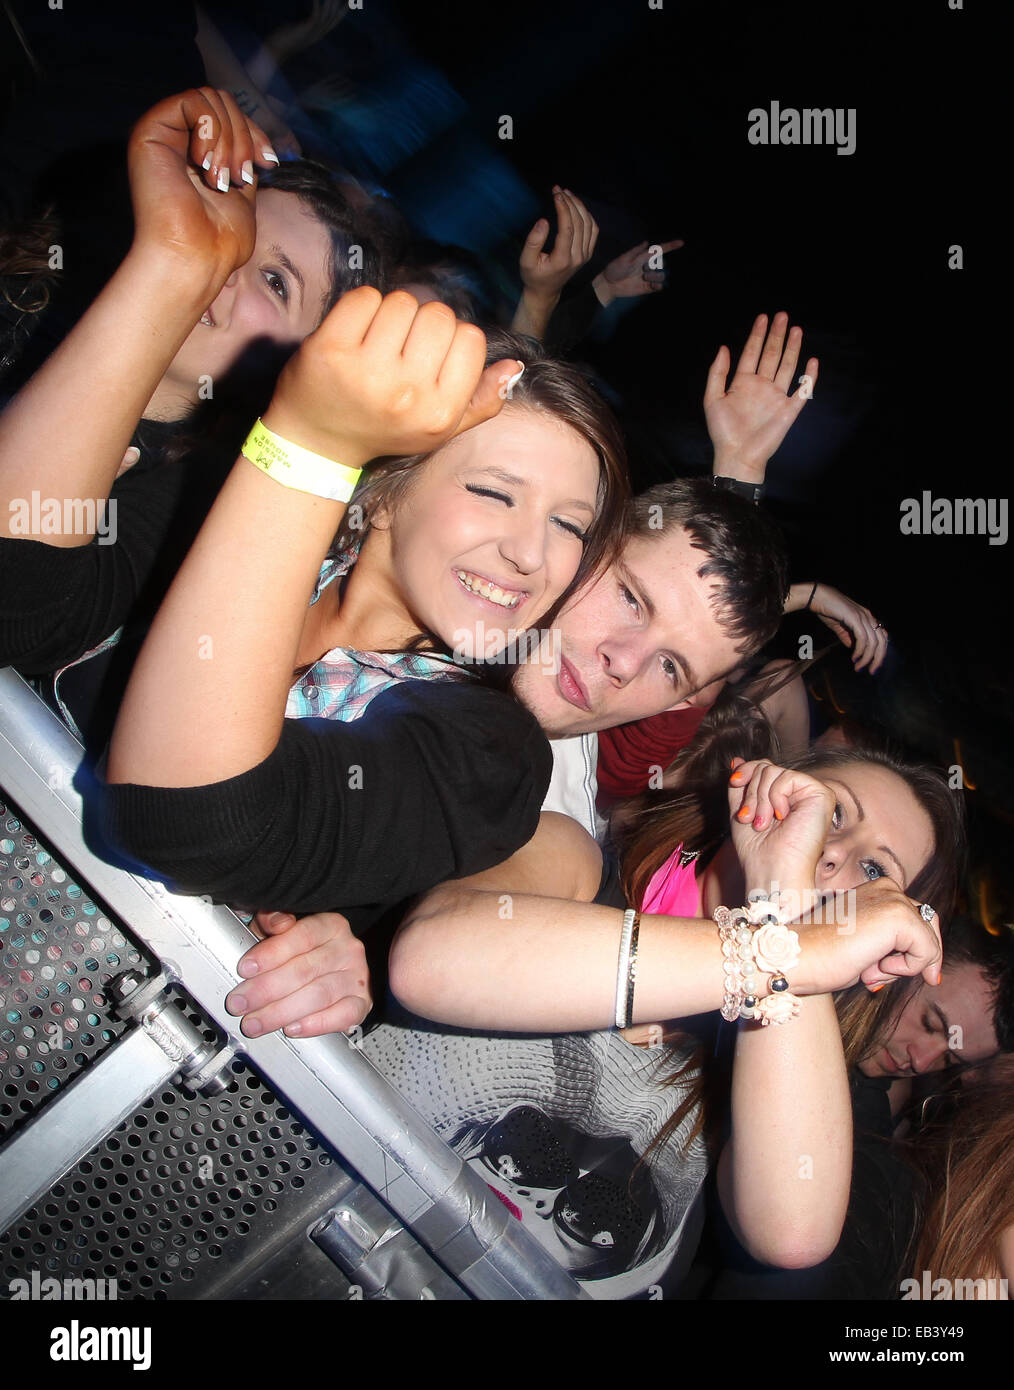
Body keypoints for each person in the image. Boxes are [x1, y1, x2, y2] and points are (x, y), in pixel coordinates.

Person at [229, 736, 953, 1293]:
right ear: (761, 793)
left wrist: (782, 919)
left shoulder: (773, 1072)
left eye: (873, 871)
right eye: (829, 812)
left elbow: (790, 1233)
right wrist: (780, 945)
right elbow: (432, 958)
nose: (833, 856)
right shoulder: (576, 865)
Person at [100, 287, 630, 926]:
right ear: (382, 494)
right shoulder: (221, 513)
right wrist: (173, 264)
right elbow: (27, 602)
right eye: (494, 492)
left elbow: (190, 817)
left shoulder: (489, 752)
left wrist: (305, 445)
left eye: (570, 526)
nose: (530, 554)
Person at [0, 86, 383, 747]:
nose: (226, 261)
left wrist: (172, 266)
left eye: (276, 281)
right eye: (230, 231)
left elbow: (17, 612)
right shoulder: (28, 296)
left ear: (290, 366)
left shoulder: (186, 501)